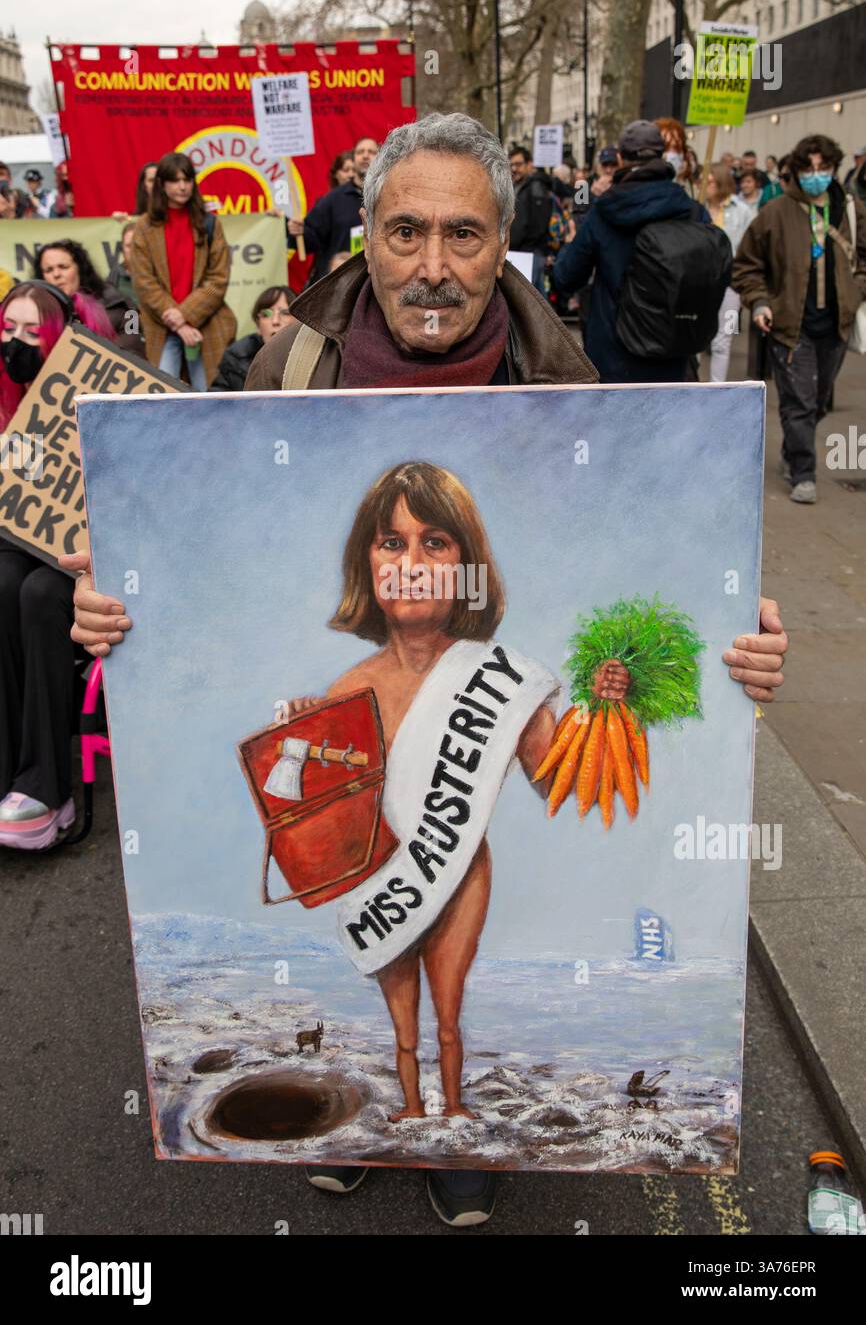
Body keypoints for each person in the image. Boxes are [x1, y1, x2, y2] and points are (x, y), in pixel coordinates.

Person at [66, 109, 790, 1226]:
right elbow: (189, 576)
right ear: (364, 236)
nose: (434, 267)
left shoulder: (578, 395)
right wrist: (122, 608)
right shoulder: (280, 368)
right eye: (405, 233)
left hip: (461, 865)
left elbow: (580, 757)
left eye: (463, 236)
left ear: (503, 241)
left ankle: (449, 1125)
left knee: (449, 998)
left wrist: (720, 650)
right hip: (370, 860)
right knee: (383, 995)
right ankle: (373, 1116)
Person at [0, 281, 118, 848]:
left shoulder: (92, 393)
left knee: (42, 595)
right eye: (8, 330)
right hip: (14, 547)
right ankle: (10, 777)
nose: (17, 343)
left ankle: (48, 790)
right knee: (2, 584)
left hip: (79, 555)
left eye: (32, 332)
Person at [732, 133, 866, 504]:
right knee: (798, 403)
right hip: (791, 327)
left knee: (819, 401)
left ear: (834, 168)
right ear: (796, 170)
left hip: (836, 325)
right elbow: (746, 265)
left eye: (823, 168)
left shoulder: (850, 210)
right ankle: (803, 473)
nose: (816, 175)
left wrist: (856, 290)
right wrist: (760, 301)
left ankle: (794, 448)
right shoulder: (776, 213)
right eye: (808, 168)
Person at [553, 119, 715, 382]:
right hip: (674, 357)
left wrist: (573, 240)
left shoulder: (604, 213)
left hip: (613, 361)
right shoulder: (693, 211)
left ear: (620, 158)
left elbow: (565, 277)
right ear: (661, 155)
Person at [128, 152, 235, 388]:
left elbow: (218, 280)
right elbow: (144, 283)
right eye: (175, 181)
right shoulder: (144, 227)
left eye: (187, 180)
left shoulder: (209, 223)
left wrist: (185, 314)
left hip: (206, 323)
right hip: (162, 325)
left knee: (209, 400)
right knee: (164, 400)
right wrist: (178, 322)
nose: (183, 187)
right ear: (161, 184)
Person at [288, 137, 379, 283]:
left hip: (376, 282)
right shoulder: (333, 199)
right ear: (354, 159)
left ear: (380, 157)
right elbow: (310, 240)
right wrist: (297, 231)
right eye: (360, 152)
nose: (365, 155)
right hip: (340, 284)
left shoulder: (387, 196)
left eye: (371, 152)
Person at [34, 238, 145, 356]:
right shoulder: (33, 313)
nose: (56, 274)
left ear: (80, 269)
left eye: (63, 267)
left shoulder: (125, 308)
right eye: (49, 270)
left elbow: (134, 350)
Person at [703, 164, 753, 381]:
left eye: (711, 181)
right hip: (700, 284)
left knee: (724, 339)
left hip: (731, 287)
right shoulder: (698, 208)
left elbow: (751, 249)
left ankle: (717, 389)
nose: (706, 185)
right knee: (695, 337)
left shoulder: (743, 210)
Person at [211, 285, 296, 391]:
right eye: (266, 313)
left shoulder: (314, 356)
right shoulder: (236, 358)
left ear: (299, 323)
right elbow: (218, 401)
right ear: (257, 326)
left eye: (285, 313)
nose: (275, 321)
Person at [508, 145, 552, 292]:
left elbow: (539, 224)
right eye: (511, 164)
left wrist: (520, 243)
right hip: (524, 253)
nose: (514, 168)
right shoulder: (518, 186)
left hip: (530, 253)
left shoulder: (535, 187)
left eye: (518, 164)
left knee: (531, 299)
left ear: (529, 164)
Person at [107, 221, 140, 309]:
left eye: (137, 245)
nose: (133, 250)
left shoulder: (157, 275)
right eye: (129, 246)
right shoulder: (115, 274)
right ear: (122, 248)